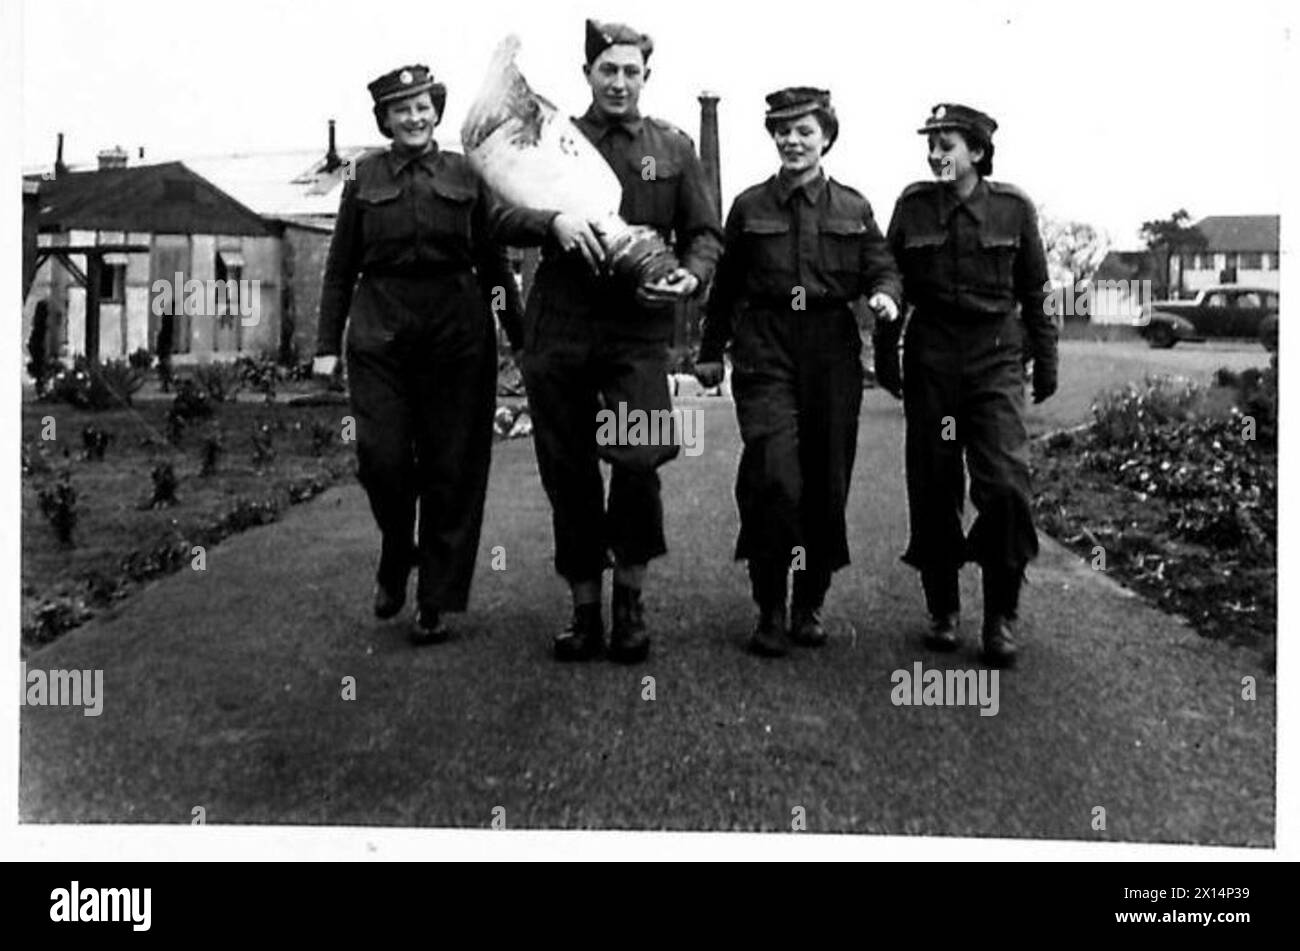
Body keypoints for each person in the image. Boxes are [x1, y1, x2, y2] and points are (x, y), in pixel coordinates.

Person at [315, 64, 554, 645]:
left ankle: (436, 600)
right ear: (385, 119)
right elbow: (341, 265)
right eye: (402, 110)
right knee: (382, 458)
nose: (414, 118)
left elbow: (495, 265)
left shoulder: (466, 173)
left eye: (423, 106)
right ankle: (399, 550)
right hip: (381, 334)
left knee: (454, 467)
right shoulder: (361, 175)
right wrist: (325, 345)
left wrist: (518, 338)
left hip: (457, 334)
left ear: (436, 110)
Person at [508, 19, 723, 663]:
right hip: (563, 326)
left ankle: (630, 603)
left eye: (631, 71)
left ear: (646, 78)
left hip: (635, 332)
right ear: (588, 75)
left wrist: (693, 275)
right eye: (608, 70)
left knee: (637, 458)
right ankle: (584, 612)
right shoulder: (550, 142)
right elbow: (493, 215)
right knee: (568, 470)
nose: (620, 82)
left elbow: (705, 233)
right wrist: (552, 222)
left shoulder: (674, 148)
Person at [695, 88, 901, 657]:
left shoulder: (854, 208)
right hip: (766, 346)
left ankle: (810, 599)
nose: (792, 140)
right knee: (773, 472)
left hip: (830, 350)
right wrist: (711, 351)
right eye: (782, 131)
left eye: (804, 130)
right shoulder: (749, 206)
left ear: (826, 137)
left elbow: (882, 267)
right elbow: (727, 286)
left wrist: (884, 296)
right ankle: (769, 605)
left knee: (825, 480)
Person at [875, 103, 1058, 667]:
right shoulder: (912, 205)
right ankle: (943, 607)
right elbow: (893, 279)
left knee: (1005, 484)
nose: (935, 155)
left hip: (995, 358)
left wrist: (1045, 361)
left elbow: (1036, 290)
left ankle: (1002, 612)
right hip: (932, 358)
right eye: (930, 145)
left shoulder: (1012, 208)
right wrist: (886, 356)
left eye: (946, 144)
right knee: (933, 484)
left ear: (977, 151)